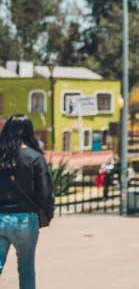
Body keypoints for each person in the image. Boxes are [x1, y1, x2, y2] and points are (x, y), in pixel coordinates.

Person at [0, 115, 55, 289]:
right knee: (26, 268)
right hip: (26, 220)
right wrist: (47, 215)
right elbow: (46, 192)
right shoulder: (34, 157)